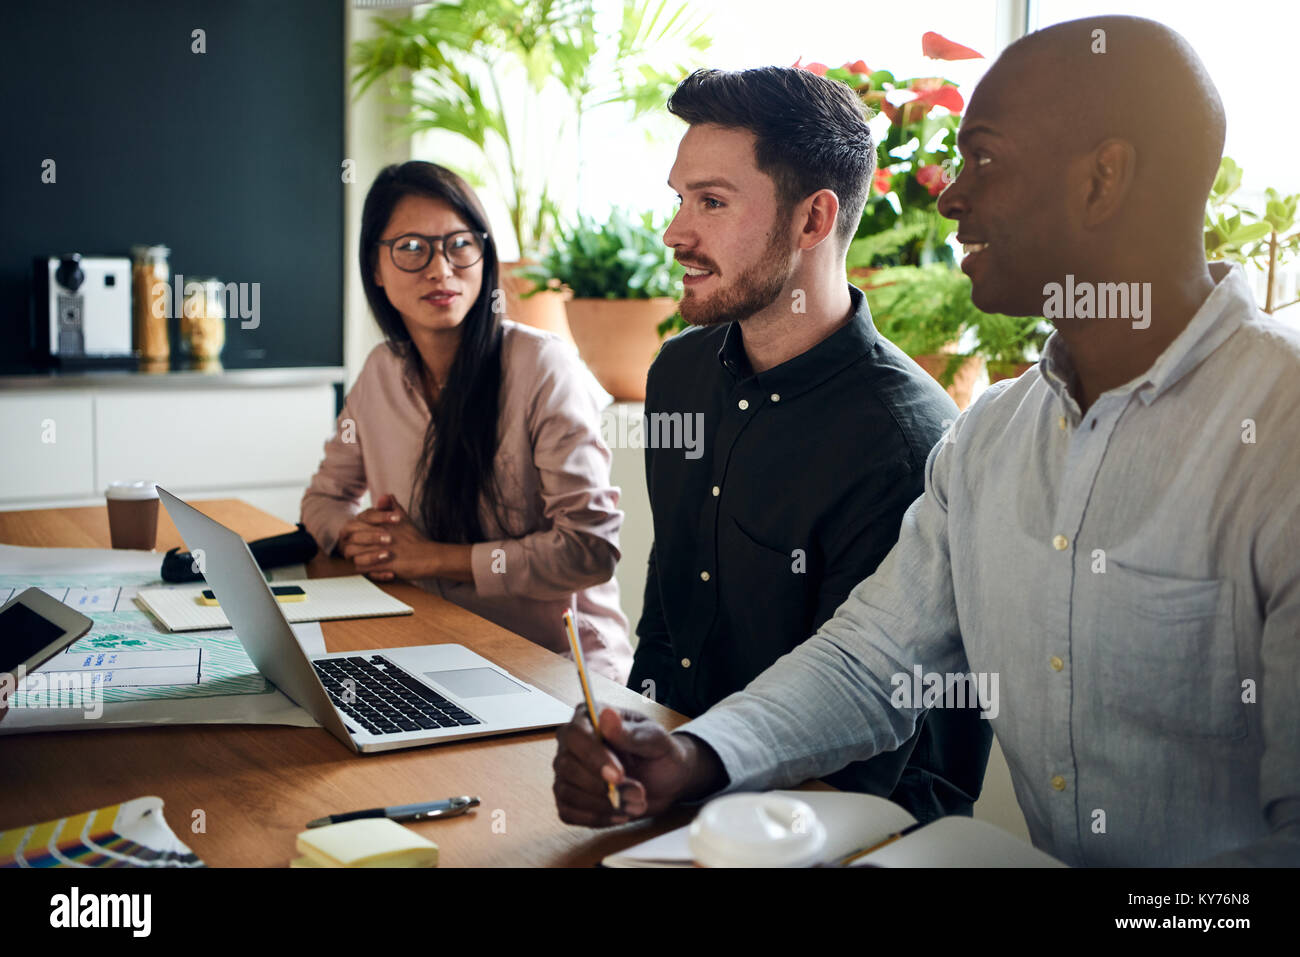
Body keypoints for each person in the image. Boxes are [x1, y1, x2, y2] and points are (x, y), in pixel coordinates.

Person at [552, 16, 1300, 866]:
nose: (950, 197)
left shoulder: (1281, 436)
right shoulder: (995, 436)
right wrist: (696, 756)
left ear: (1104, 179)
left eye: (983, 158)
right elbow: (869, 662)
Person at [625, 66, 991, 822]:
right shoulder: (678, 376)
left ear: (813, 221)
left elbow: (870, 738)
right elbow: (667, 616)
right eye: (680, 199)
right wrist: (627, 748)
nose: (675, 233)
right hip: (683, 782)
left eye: (712, 202)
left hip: (844, 824)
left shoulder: (905, 439)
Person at [302, 161, 632, 682]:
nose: (440, 269)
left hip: (556, 670)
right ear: (375, 268)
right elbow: (323, 500)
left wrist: (430, 558)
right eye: (411, 248)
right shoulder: (382, 372)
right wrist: (355, 536)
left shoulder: (543, 366)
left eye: (459, 244)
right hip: (429, 645)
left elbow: (589, 551)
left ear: (484, 255)